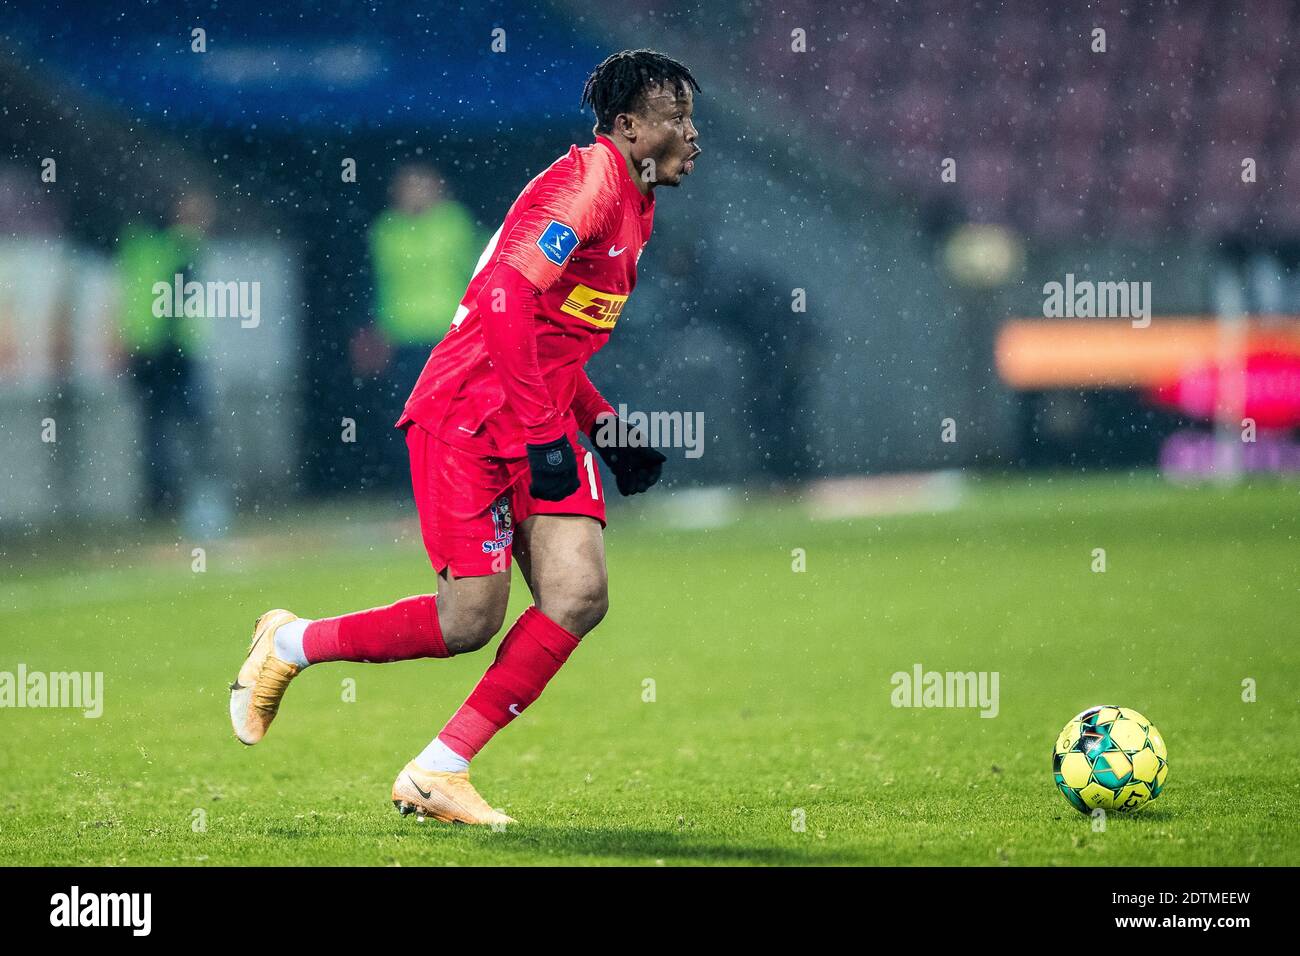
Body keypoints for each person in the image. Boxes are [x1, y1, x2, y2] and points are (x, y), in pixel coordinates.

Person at [229, 50, 702, 824]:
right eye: (676, 118)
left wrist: (601, 425)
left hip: (536, 418)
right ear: (628, 127)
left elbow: (551, 335)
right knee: (467, 623)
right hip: (468, 417)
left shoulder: (637, 206)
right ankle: (288, 644)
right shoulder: (586, 186)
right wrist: (551, 431)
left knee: (578, 595)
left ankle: (438, 768)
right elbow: (509, 300)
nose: (692, 134)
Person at [352, 165, 482, 486]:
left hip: (449, 337)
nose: (416, 194)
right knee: (407, 415)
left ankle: (456, 482)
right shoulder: (386, 230)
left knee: (455, 412)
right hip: (402, 337)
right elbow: (371, 284)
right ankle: (413, 487)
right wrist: (371, 330)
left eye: (422, 186)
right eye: (408, 187)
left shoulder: (455, 224)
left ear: (438, 188)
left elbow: (480, 274)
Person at [117, 192, 216, 517]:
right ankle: (196, 497)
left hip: (149, 349)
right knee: (189, 425)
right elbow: (177, 295)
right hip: (172, 352)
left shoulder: (138, 245)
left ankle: (166, 495)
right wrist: (167, 342)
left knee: (158, 427)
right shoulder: (180, 246)